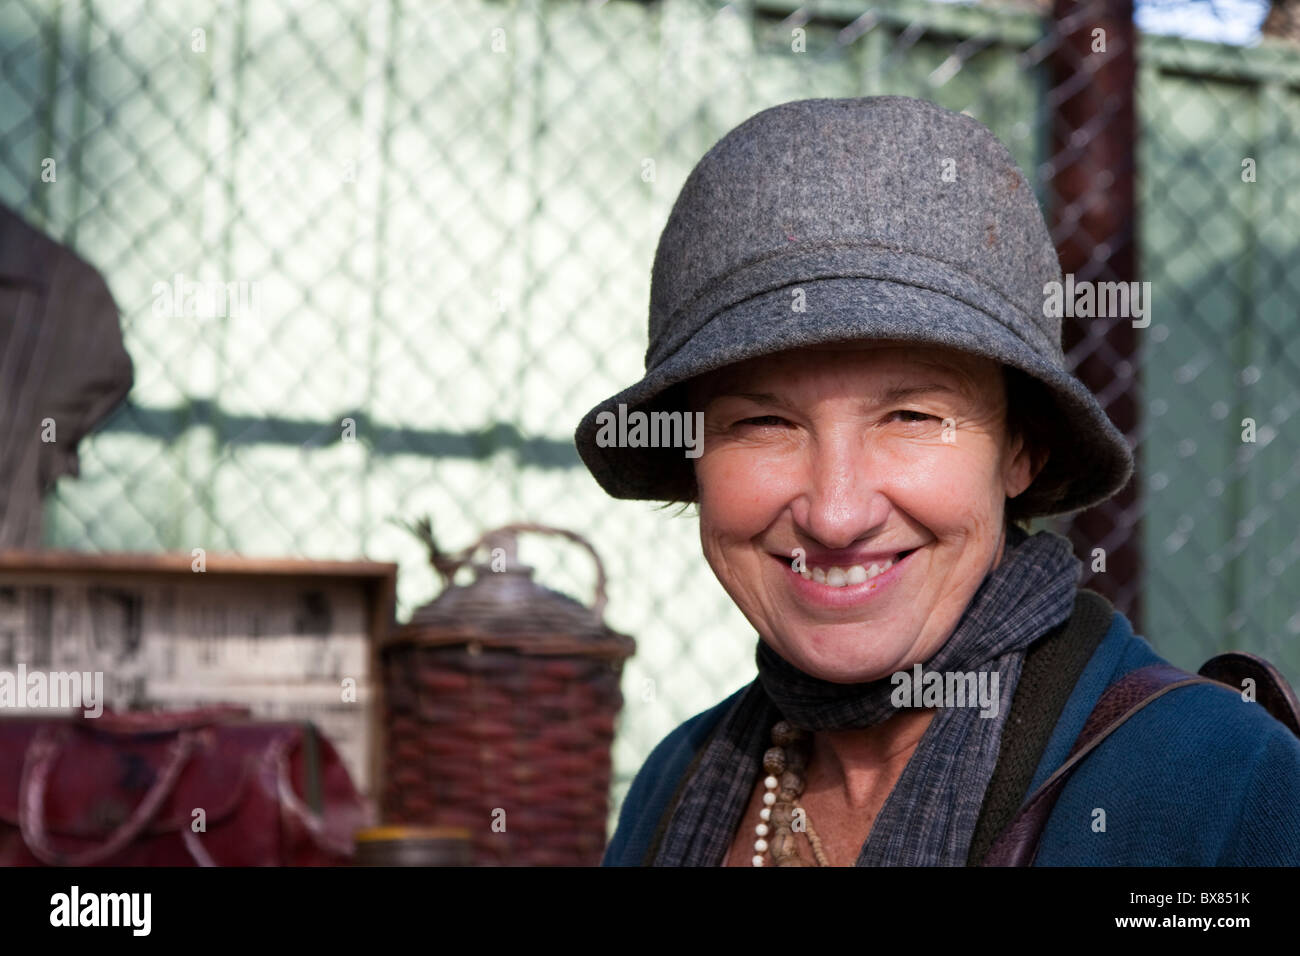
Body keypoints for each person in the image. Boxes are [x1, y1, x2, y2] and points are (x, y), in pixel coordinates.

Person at [573, 96, 1300, 866]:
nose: (837, 512)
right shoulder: (677, 786)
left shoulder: (1219, 789)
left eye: (912, 417)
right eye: (763, 424)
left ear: (1023, 450)